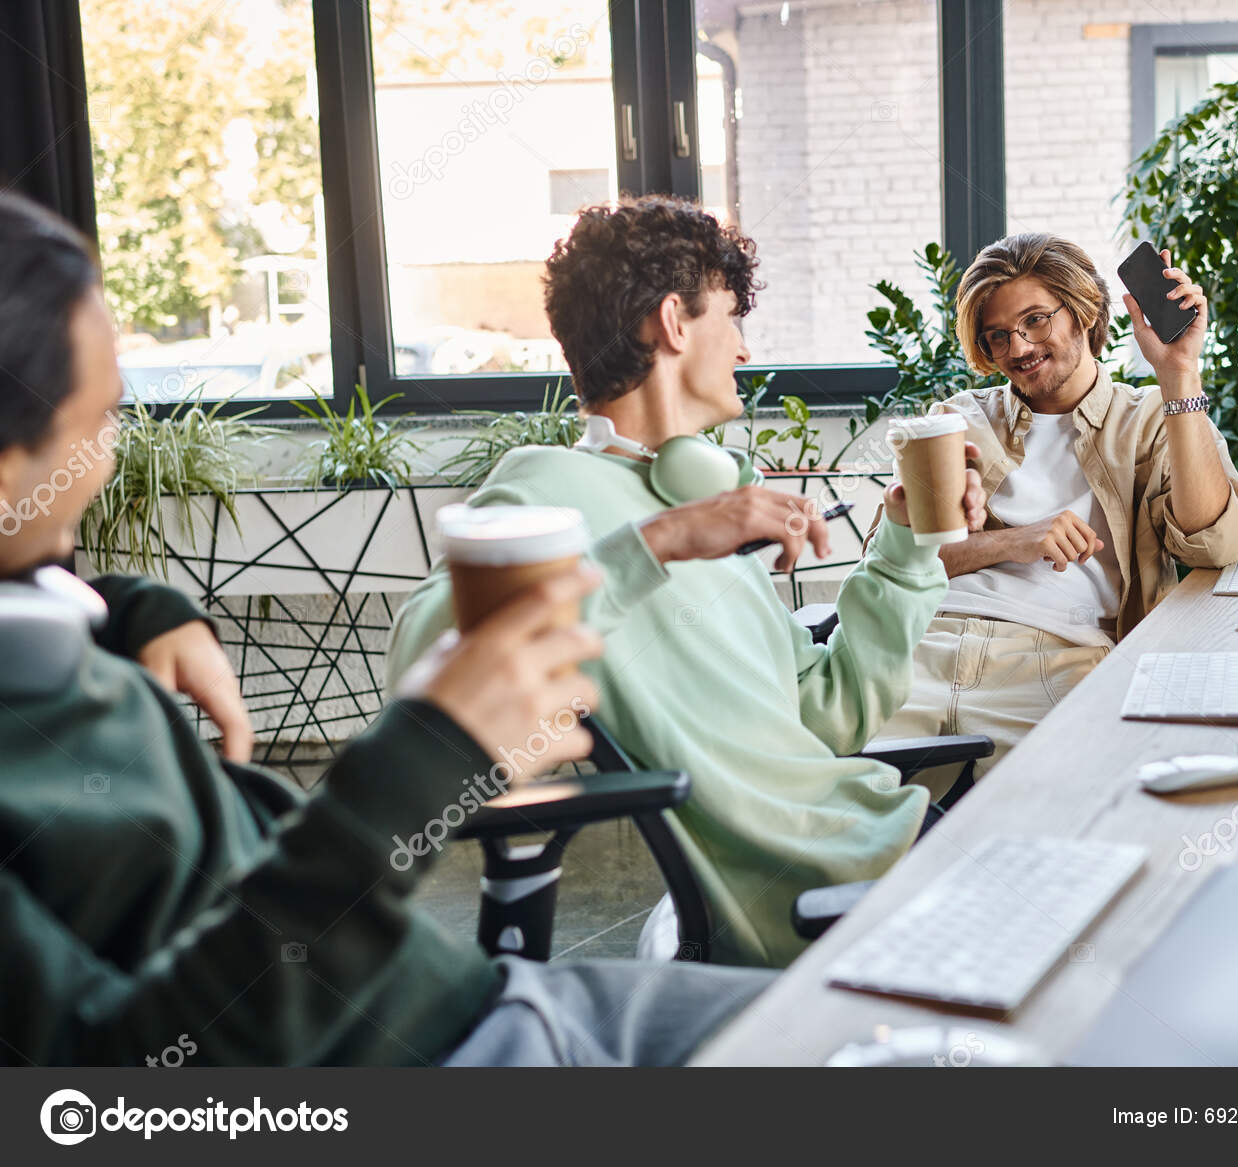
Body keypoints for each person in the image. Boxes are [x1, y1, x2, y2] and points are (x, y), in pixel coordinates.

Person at [0, 191, 772, 1067]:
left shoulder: (42, 626)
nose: (110, 454)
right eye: (101, 417)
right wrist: (427, 757)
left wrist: (141, 607)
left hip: (466, 997)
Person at [388, 194, 986, 968]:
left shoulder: (697, 500)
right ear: (673, 322)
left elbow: (827, 720)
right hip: (830, 886)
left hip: (888, 833)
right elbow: (421, 671)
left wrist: (907, 546)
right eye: (731, 317)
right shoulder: (544, 492)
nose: (742, 349)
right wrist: (660, 542)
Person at [876, 233, 1238, 783]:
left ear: (1082, 311)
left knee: (1061, 816)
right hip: (921, 644)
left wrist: (1178, 375)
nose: (1019, 348)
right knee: (831, 811)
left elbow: (1213, 544)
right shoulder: (960, 419)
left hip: (1056, 658)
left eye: (1035, 321)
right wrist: (1011, 542)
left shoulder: (1149, 419)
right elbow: (889, 565)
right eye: (998, 335)